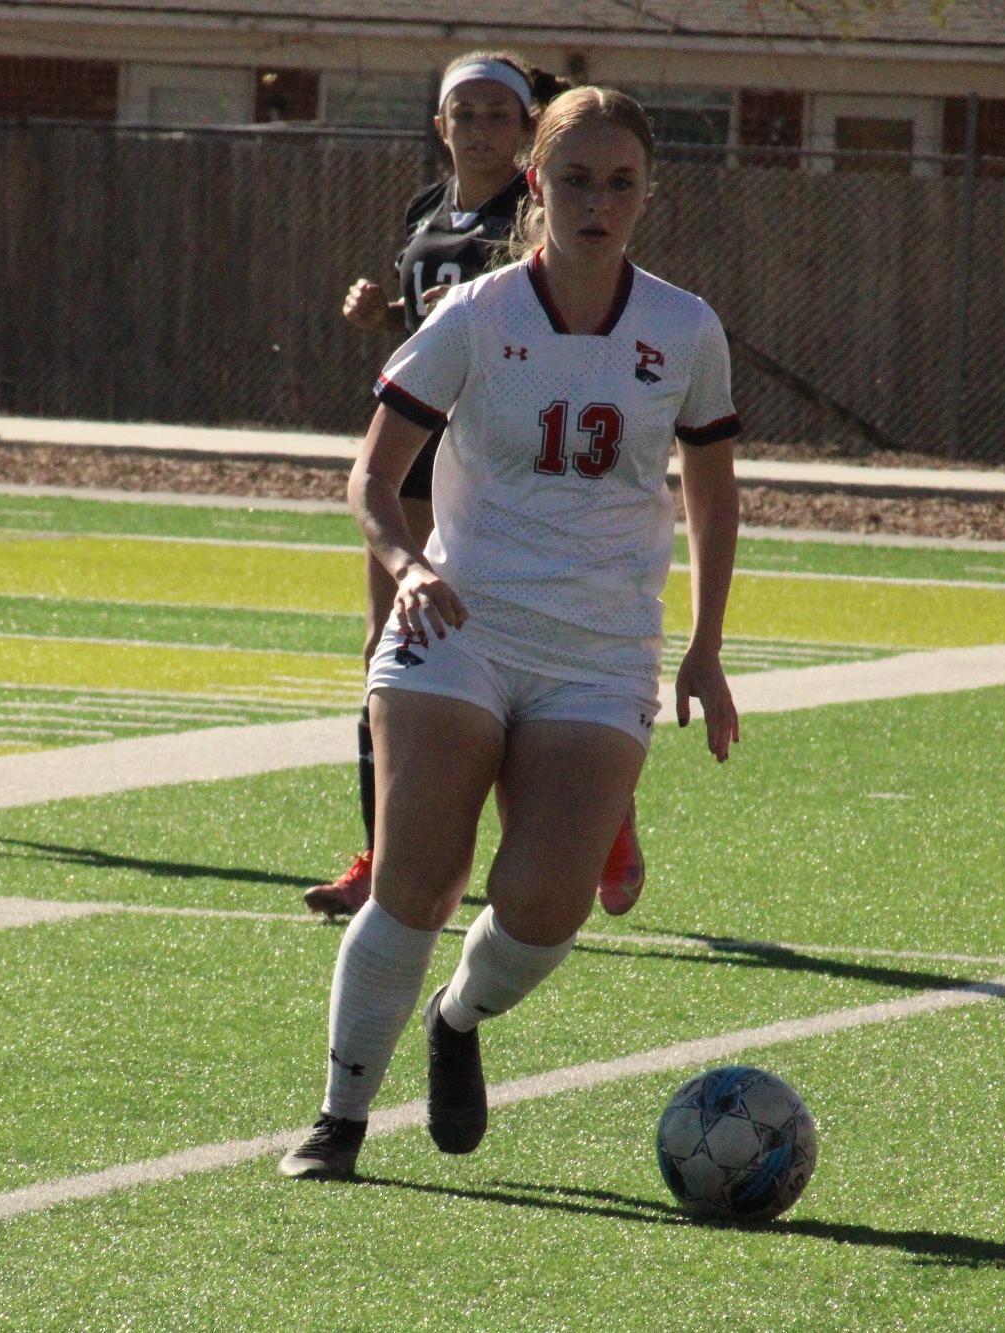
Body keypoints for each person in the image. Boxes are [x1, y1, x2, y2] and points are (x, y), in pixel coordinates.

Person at [279, 87, 744, 1180]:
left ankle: (455, 1018)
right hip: (461, 623)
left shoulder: (682, 327)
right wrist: (402, 567)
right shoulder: (474, 315)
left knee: (542, 908)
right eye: (574, 179)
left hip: (599, 646)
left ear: (645, 194)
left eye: (619, 182)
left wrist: (707, 644)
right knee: (418, 877)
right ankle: (339, 1116)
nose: (597, 201)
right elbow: (371, 476)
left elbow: (714, 495)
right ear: (536, 186)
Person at [309, 51, 646, 922]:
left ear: (529, 131)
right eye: (467, 113)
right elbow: (434, 325)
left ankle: (596, 812)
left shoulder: (538, 211)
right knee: (390, 651)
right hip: (419, 443)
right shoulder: (430, 207)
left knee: (516, 659)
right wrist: (379, 314)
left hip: (498, 455)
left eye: (502, 114)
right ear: (440, 126)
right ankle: (385, 854)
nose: (483, 128)